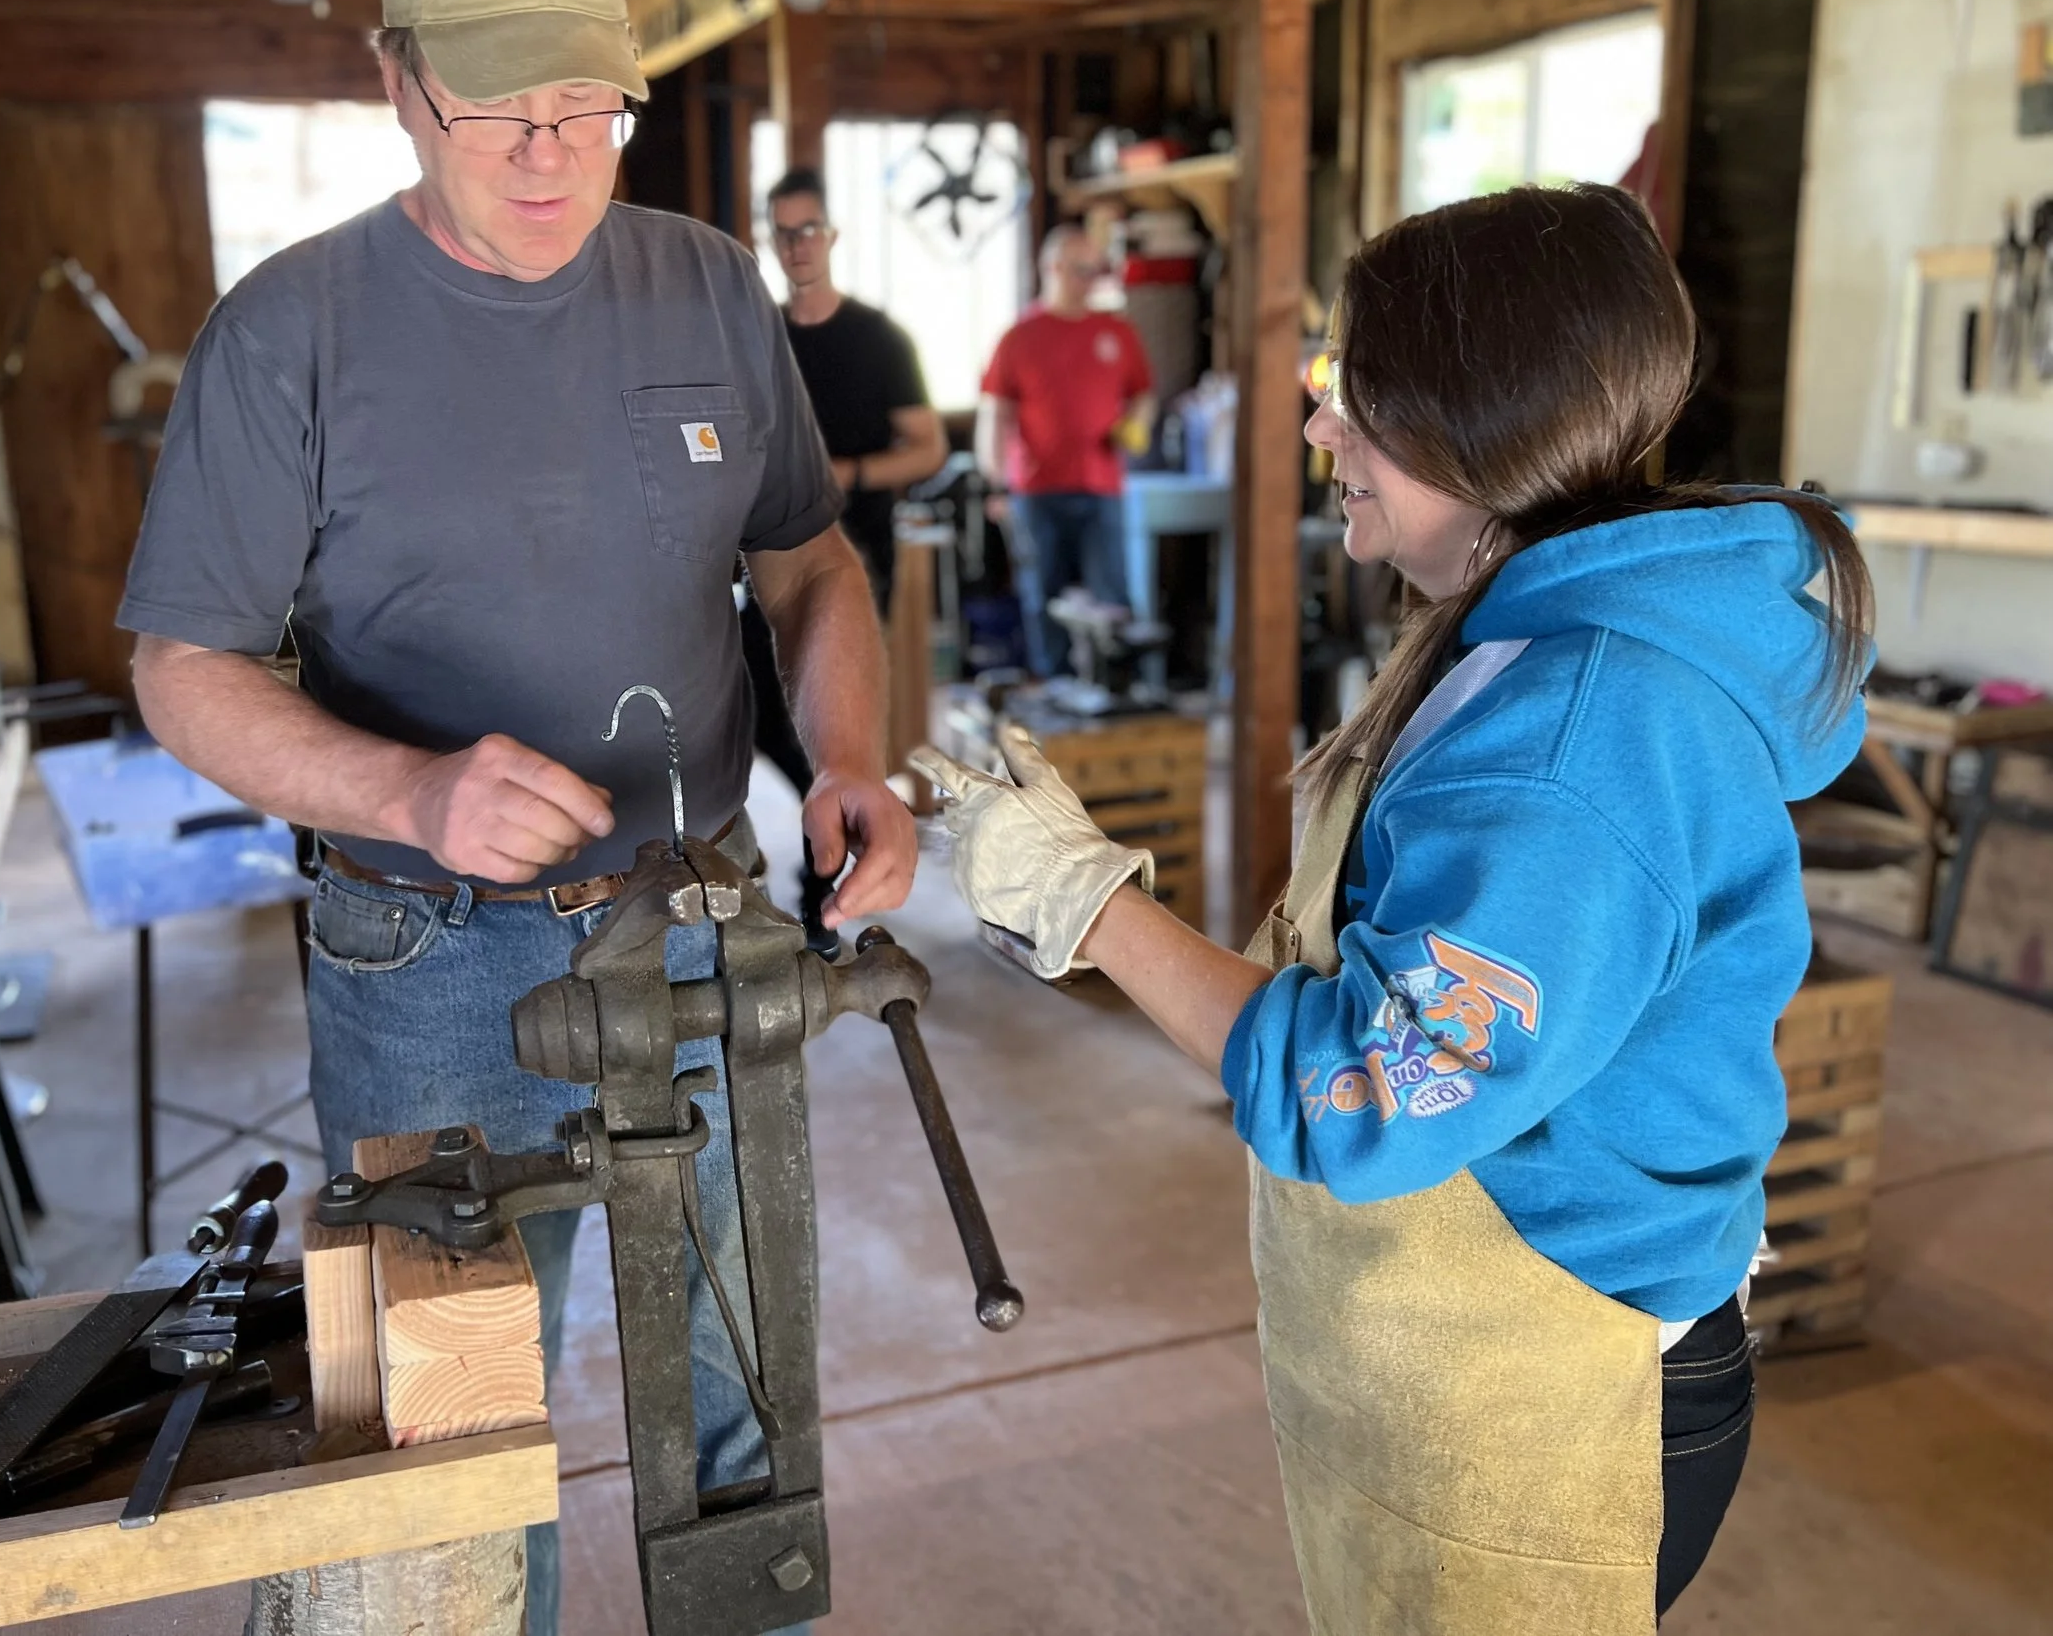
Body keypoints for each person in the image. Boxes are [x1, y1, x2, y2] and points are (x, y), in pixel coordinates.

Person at [118, 0, 915, 1636]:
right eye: (494, 109)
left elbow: (807, 560)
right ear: (398, 83)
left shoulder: (710, 290)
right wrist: (407, 788)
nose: (549, 152)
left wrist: (850, 754)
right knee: (449, 1434)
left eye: (587, 103)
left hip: (699, 930)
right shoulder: (290, 336)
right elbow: (185, 668)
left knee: (740, 1387)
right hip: (427, 964)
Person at [914, 183, 1871, 1633]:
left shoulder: (1575, 740)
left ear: (1473, 418)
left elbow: (1368, 1087)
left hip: (1558, 1380)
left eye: (1352, 390)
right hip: (1488, 1336)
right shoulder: (1518, 631)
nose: (1318, 429)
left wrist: (1088, 901)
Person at [743, 165, 947, 946]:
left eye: (808, 230)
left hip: (854, 559)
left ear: (830, 236)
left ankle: (822, 891)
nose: (796, 246)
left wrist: (850, 474)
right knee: (762, 716)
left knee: (830, 730)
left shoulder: (877, 337)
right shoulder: (757, 336)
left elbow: (927, 446)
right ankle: (811, 868)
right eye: (781, 231)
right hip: (761, 565)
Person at [976, 224, 1154, 676]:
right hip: (1035, 488)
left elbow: (1143, 394)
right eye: (1081, 269)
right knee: (1043, 596)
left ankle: (1117, 689)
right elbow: (994, 414)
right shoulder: (1019, 336)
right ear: (1051, 267)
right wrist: (994, 483)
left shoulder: (1117, 330)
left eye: (1097, 270)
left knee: (1111, 596)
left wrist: (1136, 424)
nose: (1090, 279)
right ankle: (1053, 689)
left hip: (1101, 485)